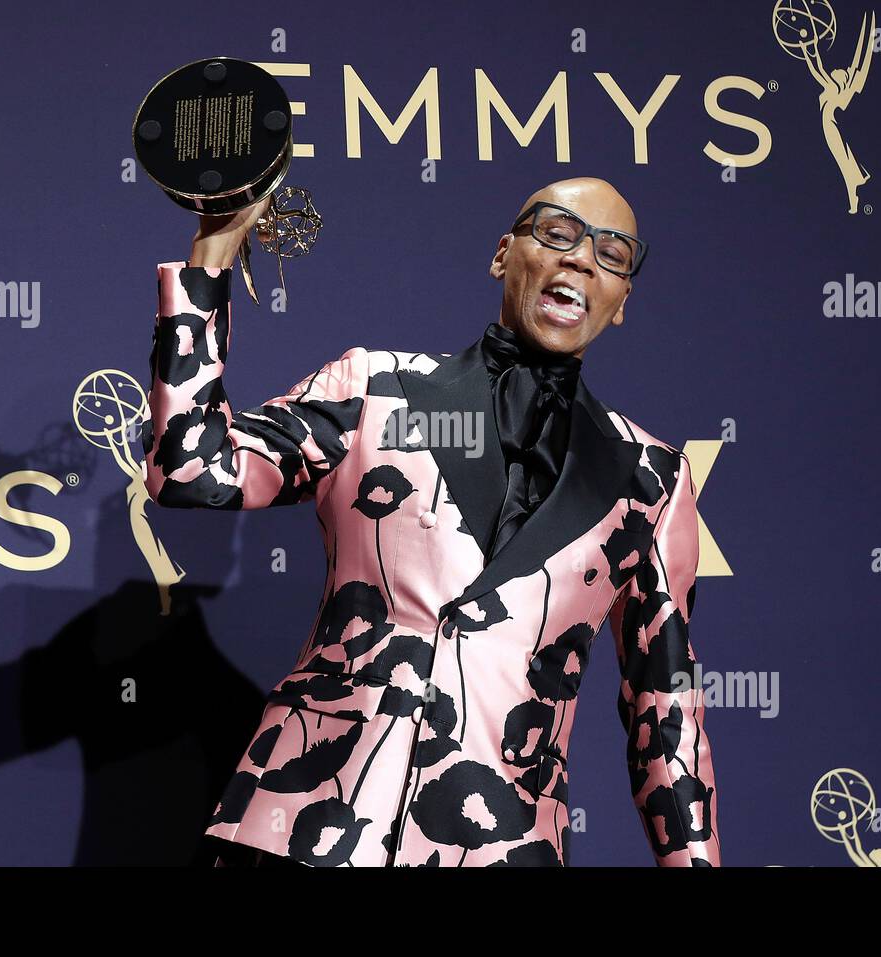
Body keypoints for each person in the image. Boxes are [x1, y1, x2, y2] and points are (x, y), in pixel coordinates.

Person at [142, 177, 720, 867]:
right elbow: (191, 469)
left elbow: (667, 713)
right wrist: (213, 254)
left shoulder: (652, 480)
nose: (581, 259)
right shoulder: (373, 391)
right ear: (503, 254)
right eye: (558, 234)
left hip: (503, 845)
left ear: (621, 299)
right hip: (297, 827)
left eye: (612, 253)